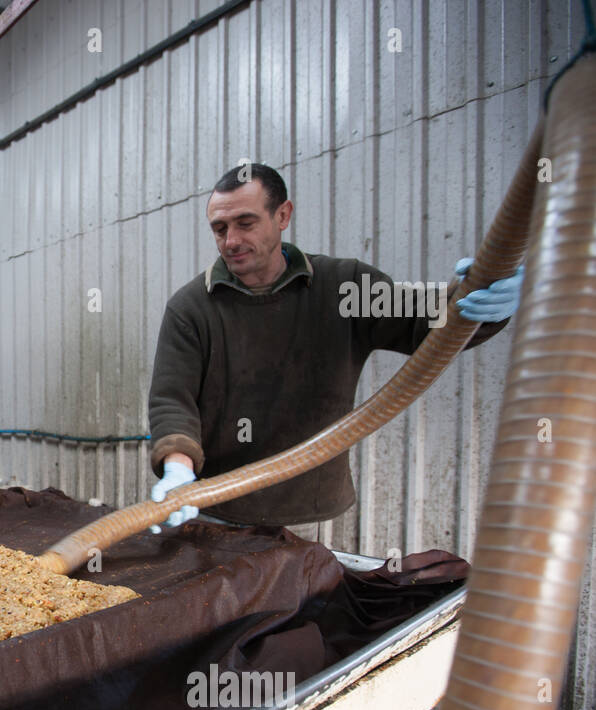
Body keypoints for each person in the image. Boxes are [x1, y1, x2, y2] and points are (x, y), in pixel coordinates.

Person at [146, 163, 524, 538]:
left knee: (317, 595)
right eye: (220, 228)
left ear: (283, 215)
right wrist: (179, 468)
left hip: (314, 514)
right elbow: (172, 399)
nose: (231, 241)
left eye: (245, 223)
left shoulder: (345, 285)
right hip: (217, 511)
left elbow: (424, 324)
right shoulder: (192, 307)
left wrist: (478, 305)